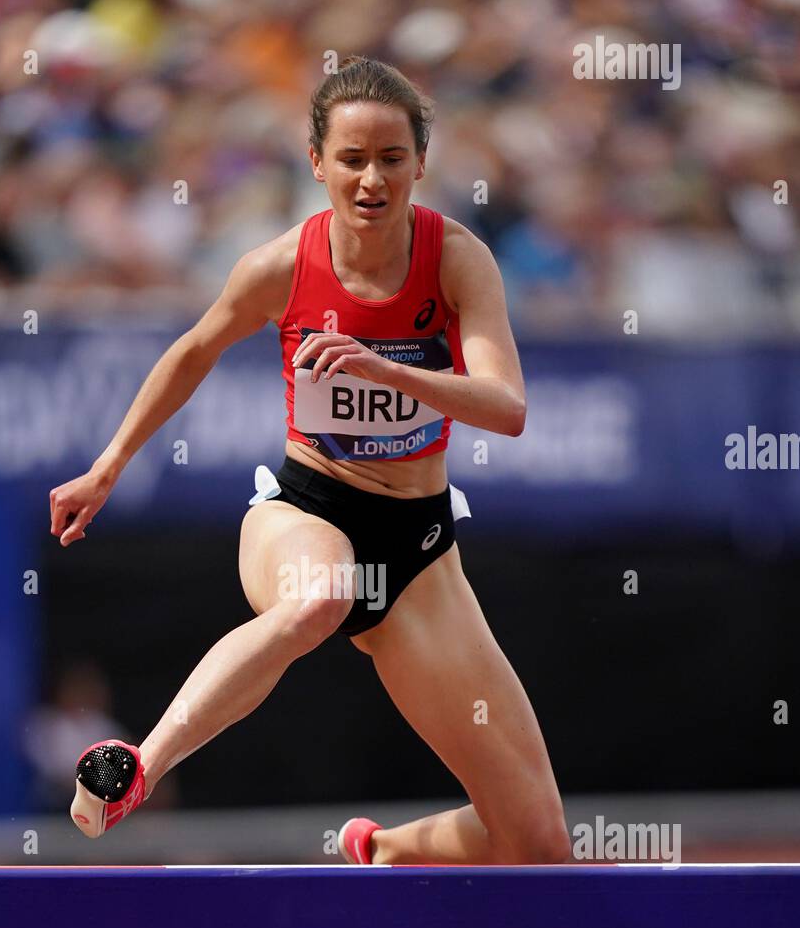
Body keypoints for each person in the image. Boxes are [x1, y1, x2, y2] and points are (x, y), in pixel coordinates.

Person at [49, 56, 571, 875]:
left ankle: (385, 852)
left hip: (419, 551)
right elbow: (192, 351)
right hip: (306, 512)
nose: (371, 179)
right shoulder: (281, 267)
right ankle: (138, 769)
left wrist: (388, 370)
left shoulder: (456, 259)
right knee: (319, 599)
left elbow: (506, 408)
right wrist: (109, 464)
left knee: (537, 844)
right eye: (352, 159)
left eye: (391, 159)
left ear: (420, 164)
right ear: (317, 163)